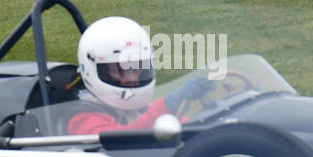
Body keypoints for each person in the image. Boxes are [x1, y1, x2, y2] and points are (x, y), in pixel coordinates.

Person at [66, 17, 214, 135]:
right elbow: (122, 141)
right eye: (120, 69)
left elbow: (183, 127)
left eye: (137, 68)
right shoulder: (82, 119)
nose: (132, 79)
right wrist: (168, 105)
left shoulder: (142, 109)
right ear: (92, 69)